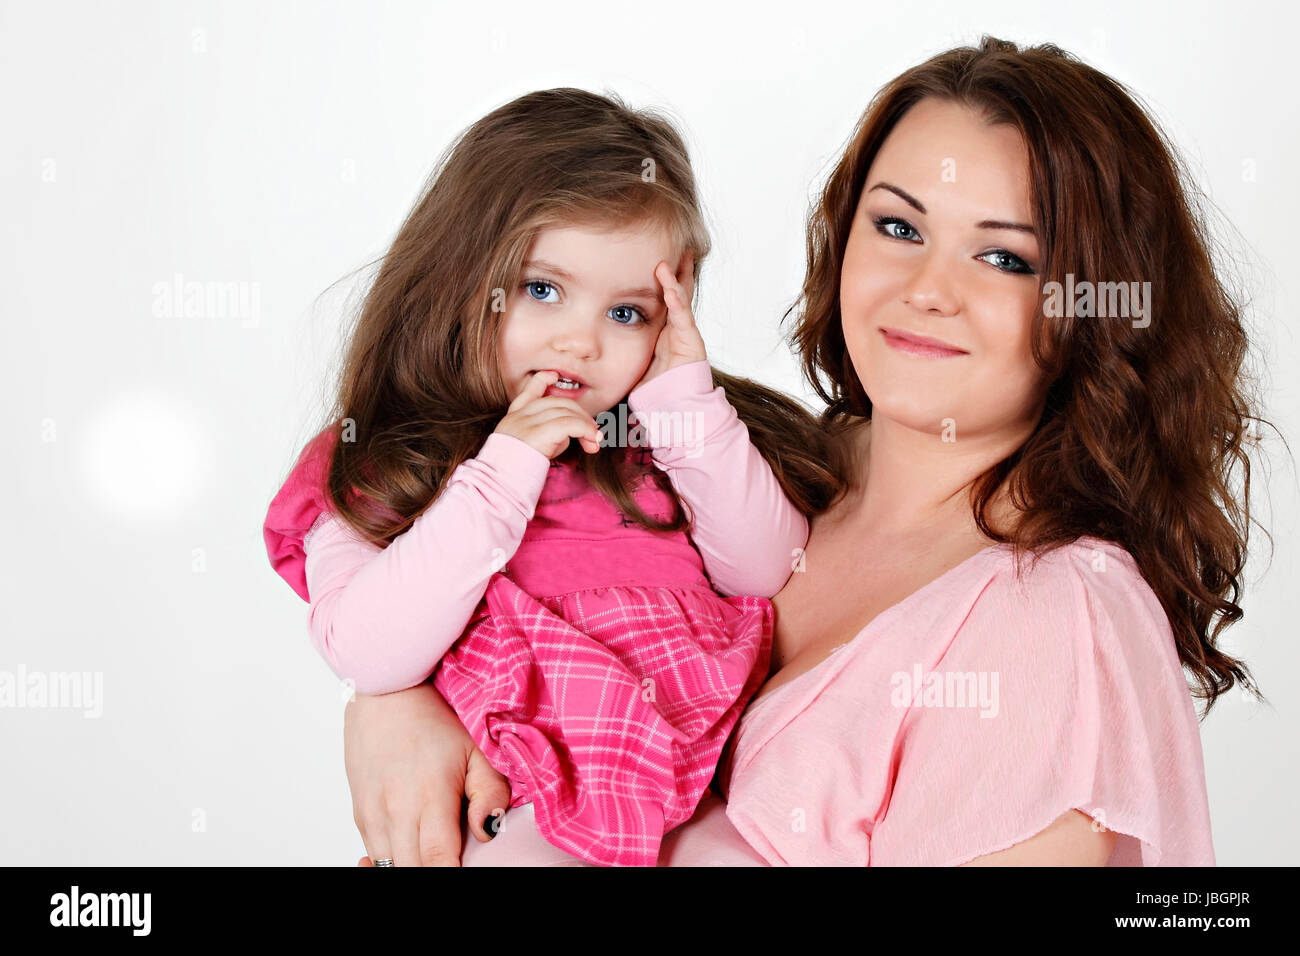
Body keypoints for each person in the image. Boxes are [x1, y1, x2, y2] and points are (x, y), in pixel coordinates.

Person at [311, 37, 1266, 866]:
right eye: (898, 226)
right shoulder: (750, 462)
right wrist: (396, 706)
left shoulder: (1056, 618)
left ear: (1092, 309)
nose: (927, 289)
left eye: (1005, 257)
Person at [262, 88, 845, 866]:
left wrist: (683, 402)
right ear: (459, 277)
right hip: (517, 801)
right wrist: (505, 470)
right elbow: (367, 654)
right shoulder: (382, 459)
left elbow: (768, 570)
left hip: (686, 793)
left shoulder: (661, 443)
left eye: (628, 313)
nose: (581, 342)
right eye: (543, 290)